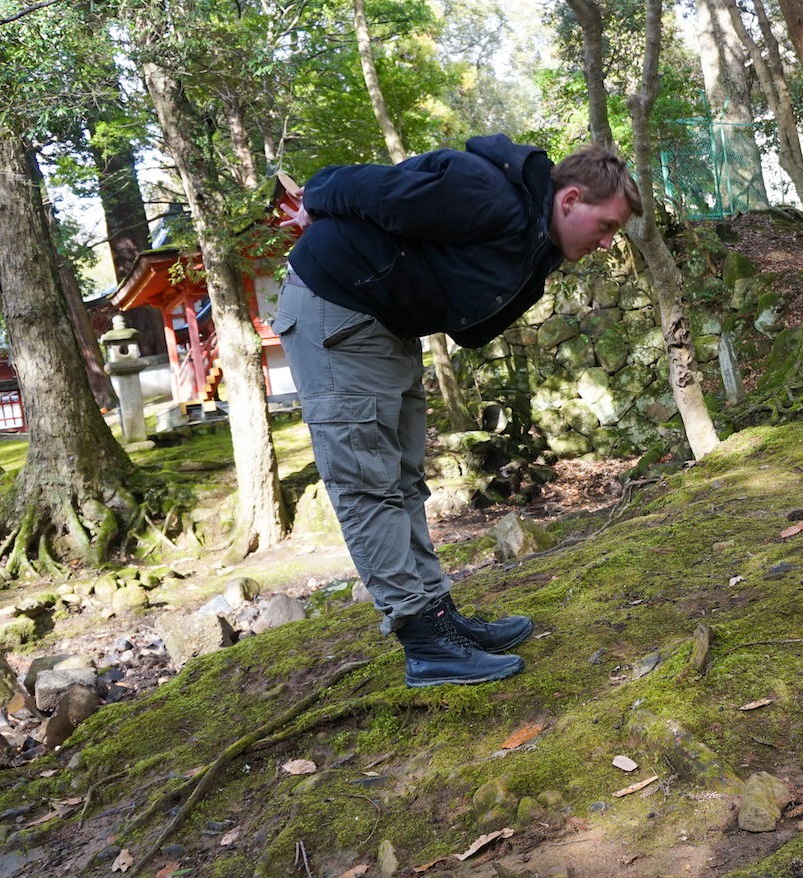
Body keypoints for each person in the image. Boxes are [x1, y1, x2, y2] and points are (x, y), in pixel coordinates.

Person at [272, 135, 642, 687]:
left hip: (385, 320)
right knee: (367, 483)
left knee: (401, 480)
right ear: (569, 201)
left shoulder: (534, 246)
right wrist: (315, 201)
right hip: (336, 307)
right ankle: (423, 642)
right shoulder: (483, 191)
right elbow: (370, 187)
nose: (610, 242)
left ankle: (439, 618)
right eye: (607, 226)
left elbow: (471, 326)